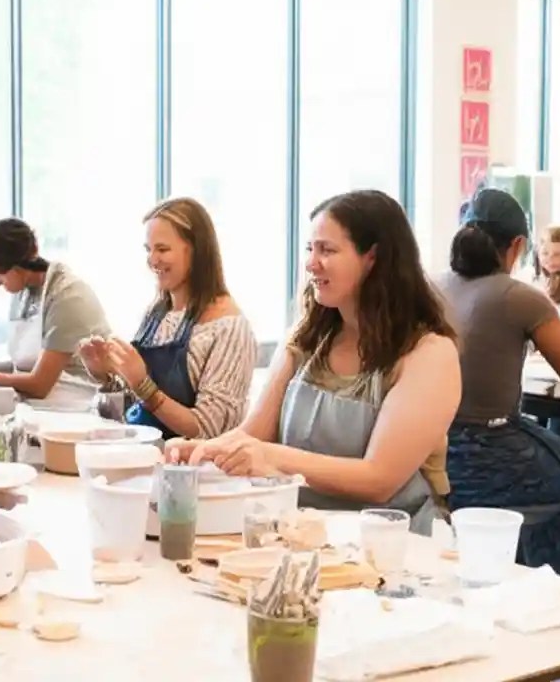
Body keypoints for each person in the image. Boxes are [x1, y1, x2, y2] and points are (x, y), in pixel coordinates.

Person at [167, 190, 459, 535]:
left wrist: (272, 457)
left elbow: (379, 479)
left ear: (374, 258)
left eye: (327, 250)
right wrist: (202, 451)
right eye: (310, 249)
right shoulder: (307, 337)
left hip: (394, 543)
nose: (310, 263)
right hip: (302, 532)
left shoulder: (428, 354)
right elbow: (254, 434)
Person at [437, 188, 560, 582]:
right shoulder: (521, 298)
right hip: (491, 455)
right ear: (518, 245)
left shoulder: (432, 287)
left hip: (433, 452)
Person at [78, 198, 257, 438]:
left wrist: (144, 386)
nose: (152, 260)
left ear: (197, 250)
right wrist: (106, 376)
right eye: (148, 250)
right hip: (144, 457)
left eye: (162, 249)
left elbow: (207, 429)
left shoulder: (229, 328)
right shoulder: (158, 312)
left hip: (194, 471)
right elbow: (135, 408)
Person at [0, 218, 111, 409]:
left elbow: (39, 385)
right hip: (40, 406)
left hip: (75, 406)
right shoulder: (24, 292)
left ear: (17, 267)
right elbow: (23, 366)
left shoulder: (68, 296)